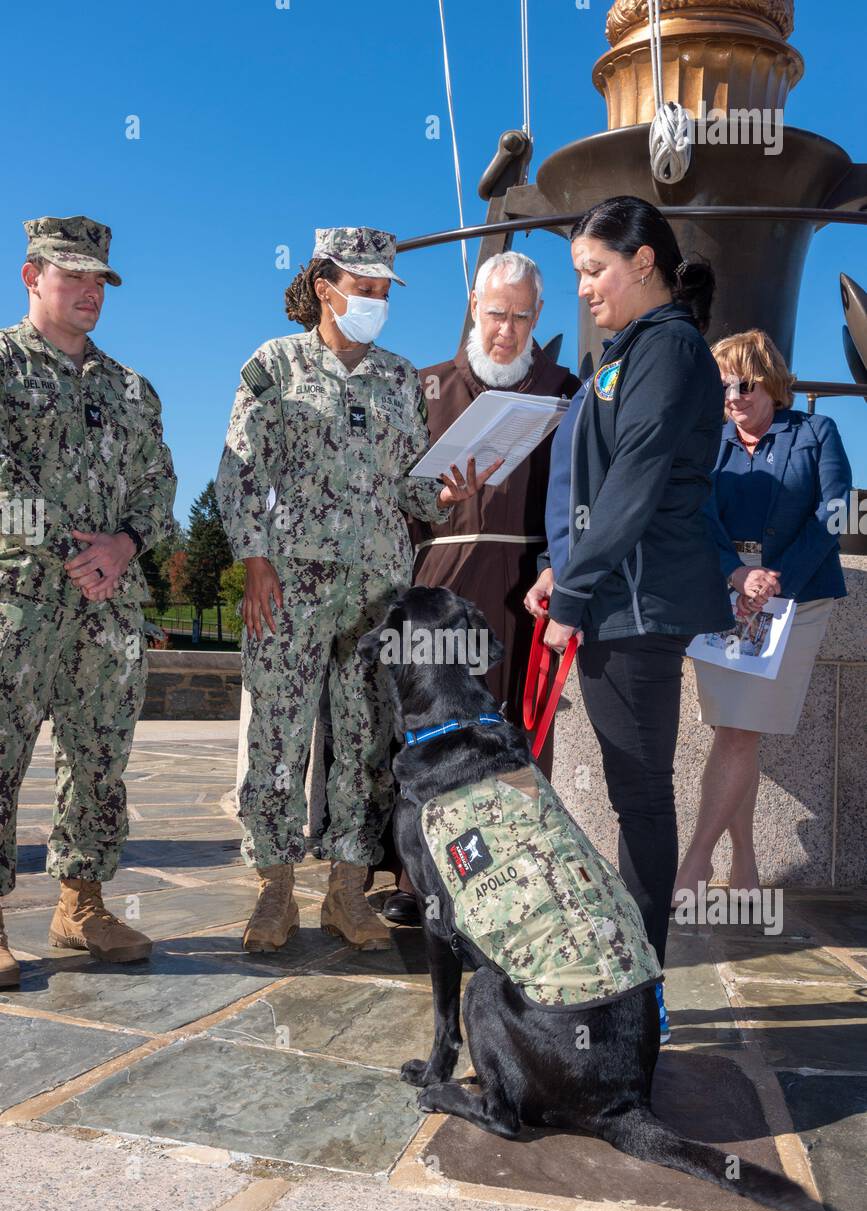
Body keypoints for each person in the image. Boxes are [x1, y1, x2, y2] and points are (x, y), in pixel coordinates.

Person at [217, 227, 499, 955]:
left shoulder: (401, 379)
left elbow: (411, 484)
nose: (377, 303)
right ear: (324, 286)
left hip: (378, 588)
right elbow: (240, 470)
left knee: (366, 739)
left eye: (384, 292)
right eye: (365, 289)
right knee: (278, 734)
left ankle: (346, 891)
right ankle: (274, 890)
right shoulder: (271, 366)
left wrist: (449, 493)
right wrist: (253, 559)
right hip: (290, 582)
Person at [524, 195, 733, 1042]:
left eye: (592, 271)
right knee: (631, 794)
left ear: (642, 262)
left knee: (641, 799)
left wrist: (573, 596)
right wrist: (554, 571)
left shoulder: (671, 349)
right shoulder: (629, 351)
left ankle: (642, 995)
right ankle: (631, 978)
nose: (582, 290)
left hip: (635, 605)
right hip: (610, 593)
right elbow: (590, 485)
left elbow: (637, 480)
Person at [0, 216, 177, 987]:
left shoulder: (131, 388)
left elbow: (159, 488)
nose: (89, 292)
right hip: (18, 599)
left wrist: (124, 546)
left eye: (99, 279)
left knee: (100, 758)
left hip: (108, 608)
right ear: (31, 275)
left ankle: (81, 903)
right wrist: (75, 552)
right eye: (72, 276)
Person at [382, 250, 581, 926]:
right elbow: (387, 499)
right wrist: (433, 496)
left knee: (514, 736)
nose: (506, 330)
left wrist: (562, 562)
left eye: (521, 317)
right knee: (432, 731)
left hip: (525, 585)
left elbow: (578, 488)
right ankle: (418, 881)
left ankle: (516, 878)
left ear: (538, 318)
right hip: (440, 583)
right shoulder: (423, 385)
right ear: (472, 305)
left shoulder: (563, 389)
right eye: (496, 313)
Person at [674, 329, 852, 898]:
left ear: (771, 382)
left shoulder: (816, 432)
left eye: (743, 384)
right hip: (722, 598)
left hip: (795, 601)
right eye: (722, 387)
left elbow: (836, 510)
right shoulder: (710, 443)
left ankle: (694, 864)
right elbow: (698, 514)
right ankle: (744, 863)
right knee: (735, 730)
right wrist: (737, 573)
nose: (732, 396)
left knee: (739, 731)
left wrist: (778, 578)